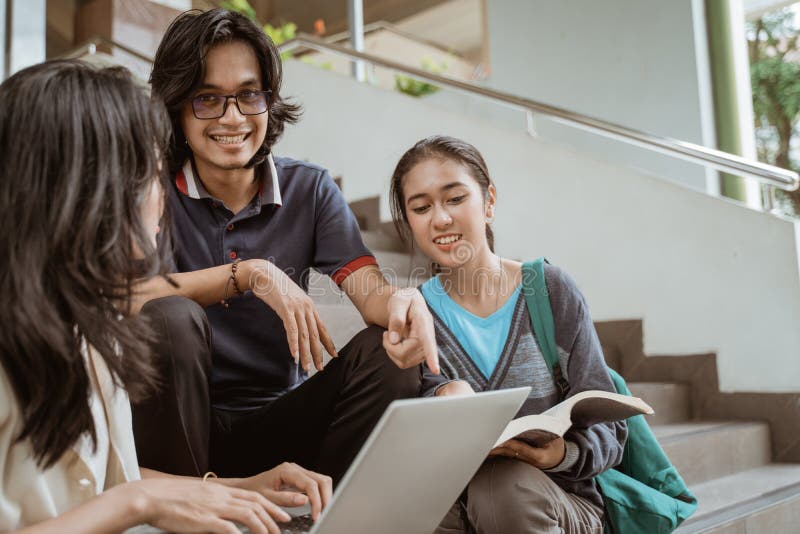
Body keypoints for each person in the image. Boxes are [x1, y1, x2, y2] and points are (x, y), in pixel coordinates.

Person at [0, 60, 331, 534]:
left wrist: (242, 487)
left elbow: (111, 484)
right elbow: (127, 496)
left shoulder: (92, 335)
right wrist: (137, 504)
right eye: (152, 175)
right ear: (87, 189)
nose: (163, 199)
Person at [132, 8, 438, 485]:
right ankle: (187, 508)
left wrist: (402, 300)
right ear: (176, 107)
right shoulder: (153, 193)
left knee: (386, 350)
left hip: (281, 422)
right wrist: (250, 273)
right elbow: (123, 298)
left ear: (268, 101)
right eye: (207, 98)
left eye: (248, 95)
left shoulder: (309, 190)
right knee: (170, 316)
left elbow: (371, 293)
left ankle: (326, 510)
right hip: (179, 433)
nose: (232, 117)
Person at [388, 136, 628, 533]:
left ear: (489, 201)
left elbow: (611, 426)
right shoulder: (416, 316)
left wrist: (560, 454)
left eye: (455, 198)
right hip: (461, 511)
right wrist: (441, 396)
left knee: (501, 488)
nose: (441, 219)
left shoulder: (549, 290)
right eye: (421, 207)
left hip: (559, 504)